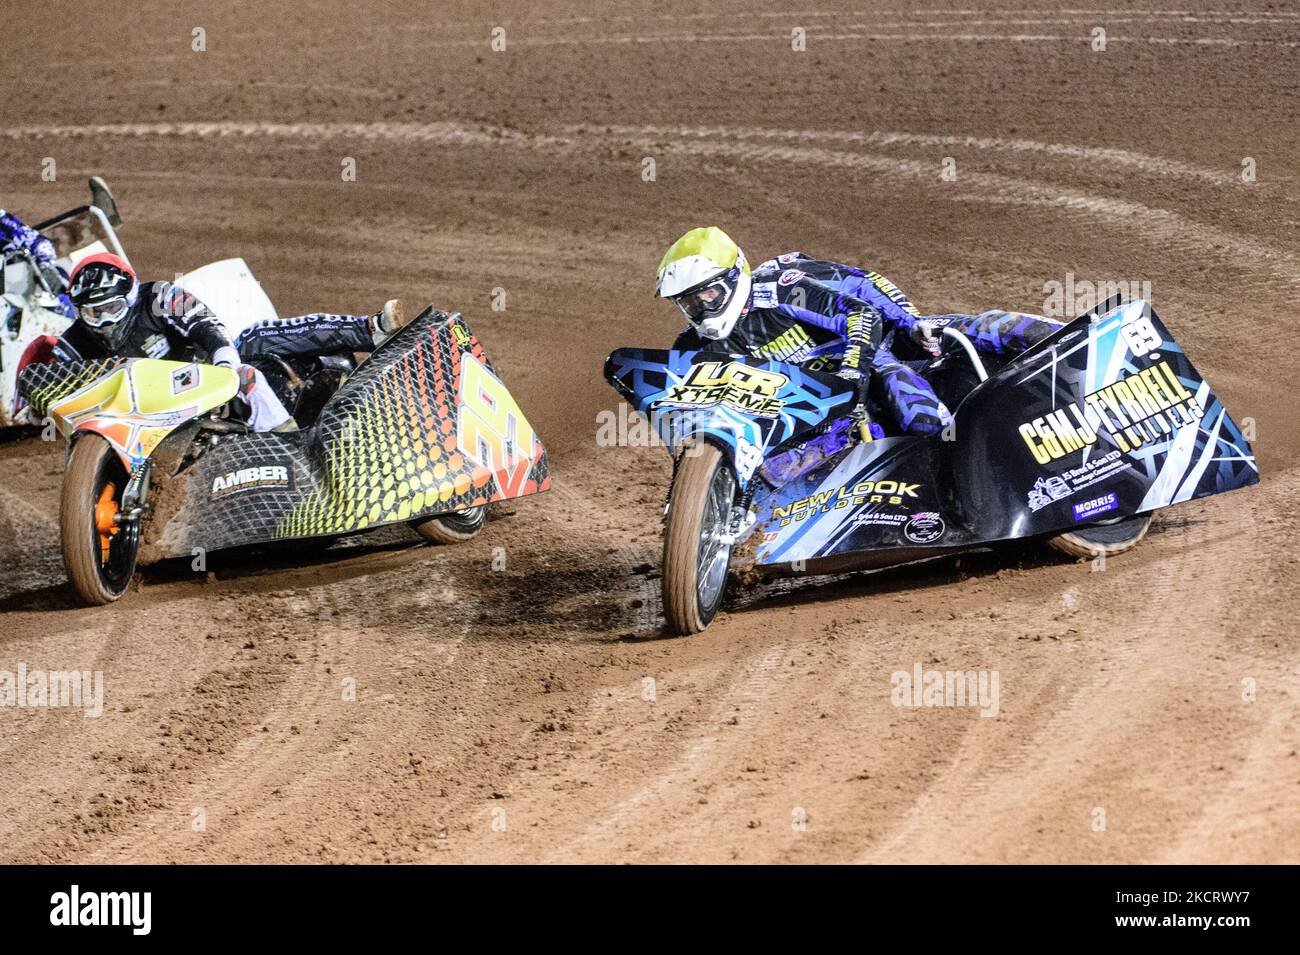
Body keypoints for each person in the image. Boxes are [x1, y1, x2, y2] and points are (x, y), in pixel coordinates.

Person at [655, 226, 1062, 437]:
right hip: (811, 408)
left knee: (980, 334)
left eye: (707, 293)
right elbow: (681, 408)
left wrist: (906, 322)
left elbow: (862, 300)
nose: (700, 307)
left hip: (876, 352)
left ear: (733, 277)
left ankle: (1085, 337)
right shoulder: (692, 347)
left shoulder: (784, 288)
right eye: (688, 302)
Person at [55, 252, 406, 431]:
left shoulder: (159, 296)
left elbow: (207, 326)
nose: (103, 321)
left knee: (253, 340)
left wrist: (225, 365)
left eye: (111, 308)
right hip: (142, 418)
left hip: (203, 386)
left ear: (130, 296)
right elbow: (51, 381)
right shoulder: (74, 340)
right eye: (92, 313)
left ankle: (368, 330)